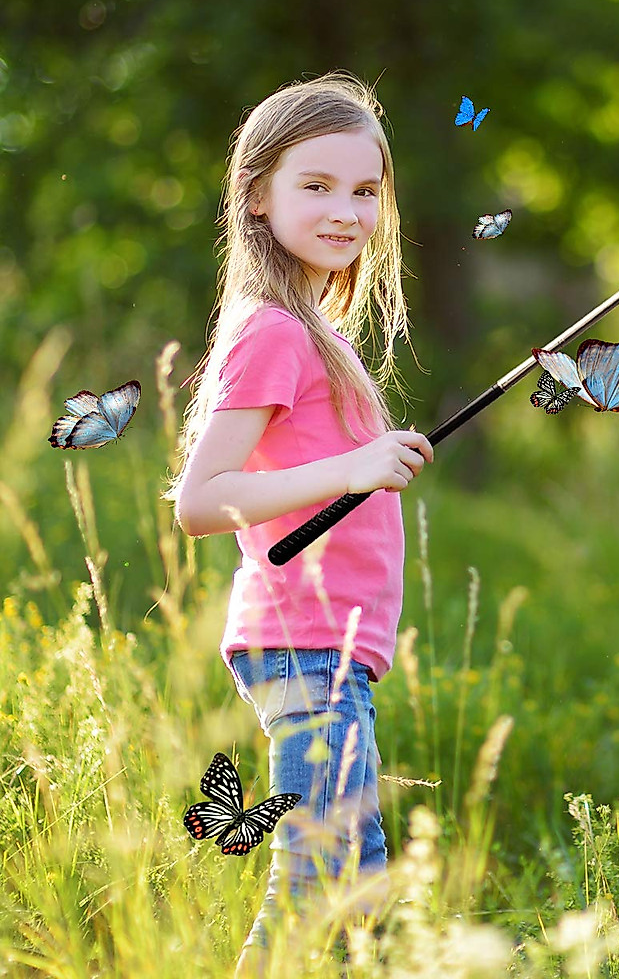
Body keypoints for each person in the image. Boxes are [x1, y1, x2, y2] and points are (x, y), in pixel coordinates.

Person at [165, 73, 434, 976]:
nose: (345, 211)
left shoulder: (317, 329)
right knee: (318, 884)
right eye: (315, 186)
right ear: (257, 194)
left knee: (355, 894)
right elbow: (202, 501)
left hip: (330, 647)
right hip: (302, 643)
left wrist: (369, 454)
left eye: (364, 191)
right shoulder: (274, 331)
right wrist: (354, 467)